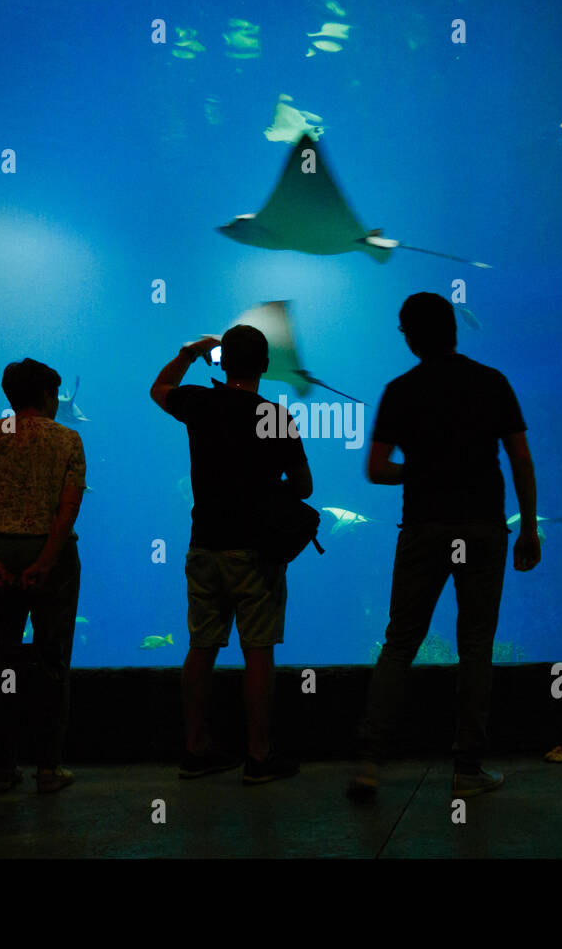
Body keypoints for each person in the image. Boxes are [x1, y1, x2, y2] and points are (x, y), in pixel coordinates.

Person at [349, 293, 540, 801]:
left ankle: (369, 763)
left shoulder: (401, 390)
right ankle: (467, 768)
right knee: (476, 645)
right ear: (453, 331)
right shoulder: (492, 382)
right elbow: (520, 457)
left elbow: (376, 468)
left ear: (411, 337)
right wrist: (528, 528)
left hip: (424, 530)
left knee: (400, 642)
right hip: (482, 529)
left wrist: (421, 470)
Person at [150, 326, 309, 784]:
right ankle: (258, 757)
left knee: (201, 648)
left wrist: (187, 350)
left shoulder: (199, 402)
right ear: (264, 367)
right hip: (256, 553)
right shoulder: (275, 417)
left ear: (221, 362)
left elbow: (160, 389)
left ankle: (195, 750)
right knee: (257, 651)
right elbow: (303, 487)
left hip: (204, 547)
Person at [0, 358, 84, 794]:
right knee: (52, 658)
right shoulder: (67, 439)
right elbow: (68, 507)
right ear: (50, 398)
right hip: (50, 553)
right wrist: (48, 558)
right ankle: (49, 769)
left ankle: (2, 769)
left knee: (0, 660)